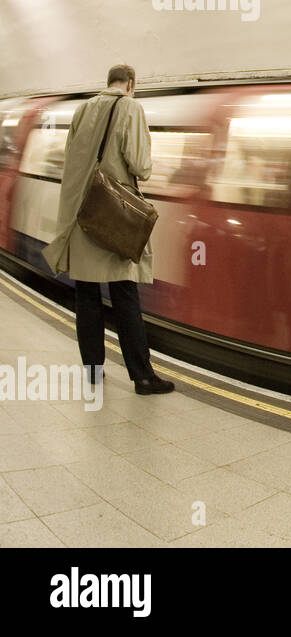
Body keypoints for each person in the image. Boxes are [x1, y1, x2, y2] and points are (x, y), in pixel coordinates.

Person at [41, 65, 174, 395]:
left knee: (86, 296)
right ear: (131, 83)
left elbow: (72, 163)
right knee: (125, 297)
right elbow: (140, 166)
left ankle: (92, 372)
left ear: (108, 82)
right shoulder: (130, 106)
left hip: (84, 214)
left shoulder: (83, 109)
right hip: (114, 218)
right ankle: (142, 377)